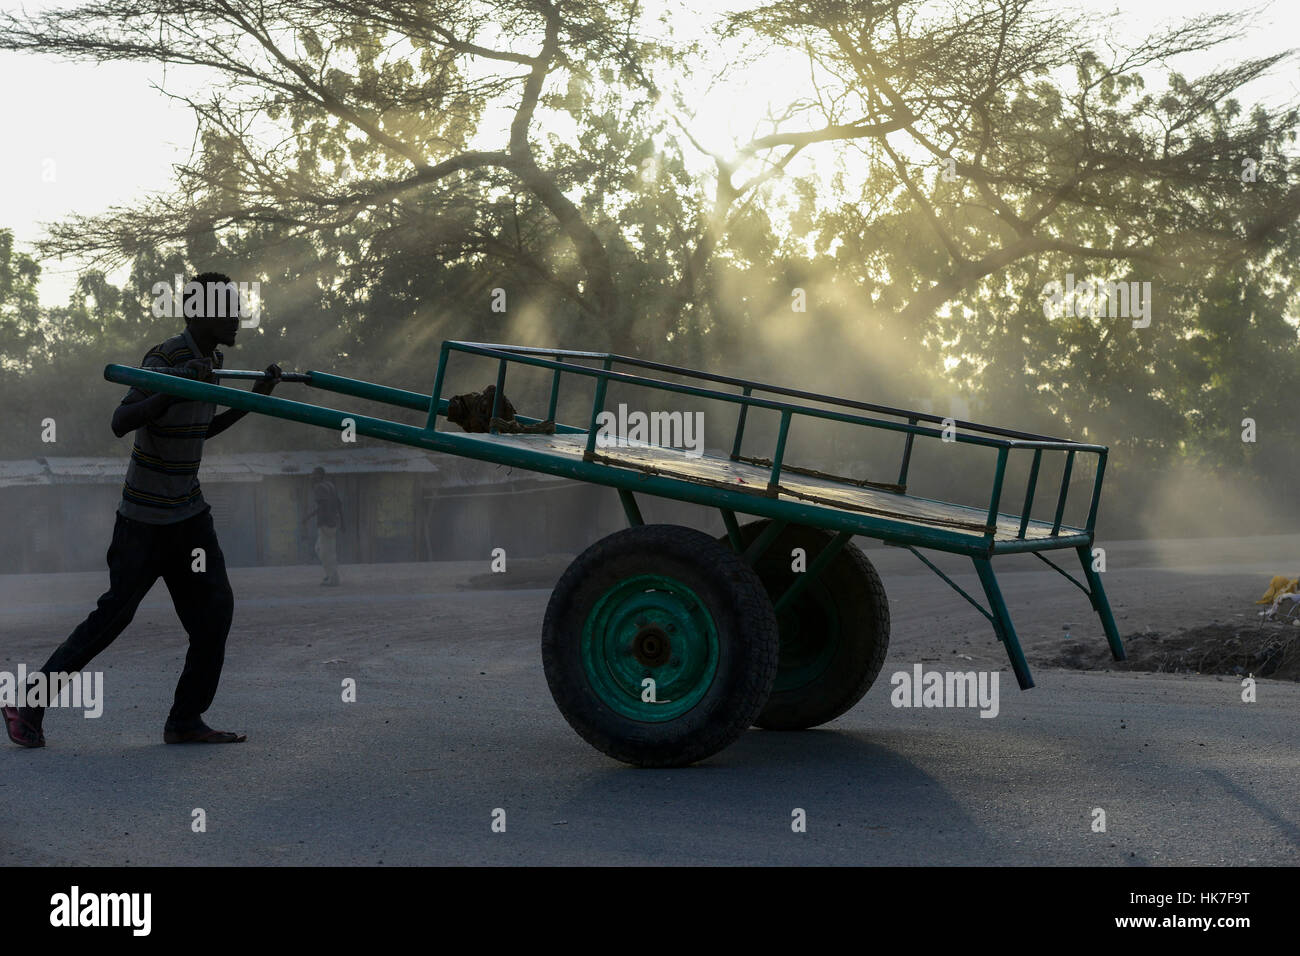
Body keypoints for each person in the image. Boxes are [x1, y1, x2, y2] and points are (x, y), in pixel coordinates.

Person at [3, 273, 282, 748]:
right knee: (113, 618)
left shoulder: (213, 361)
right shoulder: (164, 359)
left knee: (215, 613)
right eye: (228, 310)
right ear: (199, 313)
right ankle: (29, 703)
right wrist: (173, 388)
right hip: (144, 519)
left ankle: (185, 719)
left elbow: (201, 430)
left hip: (189, 516)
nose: (238, 318)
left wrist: (257, 396)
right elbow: (121, 421)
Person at [302, 467, 344, 586]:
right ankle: (330, 575)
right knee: (320, 549)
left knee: (326, 553)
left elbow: (322, 506)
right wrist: (342, 522)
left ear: (319, 476)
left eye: (314, 475)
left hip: (325, 523)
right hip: (332, 522)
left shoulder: (319, 487)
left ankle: (333, 579)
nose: (311, 477)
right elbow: (339, 503)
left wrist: (308, 517)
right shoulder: (330, 485)